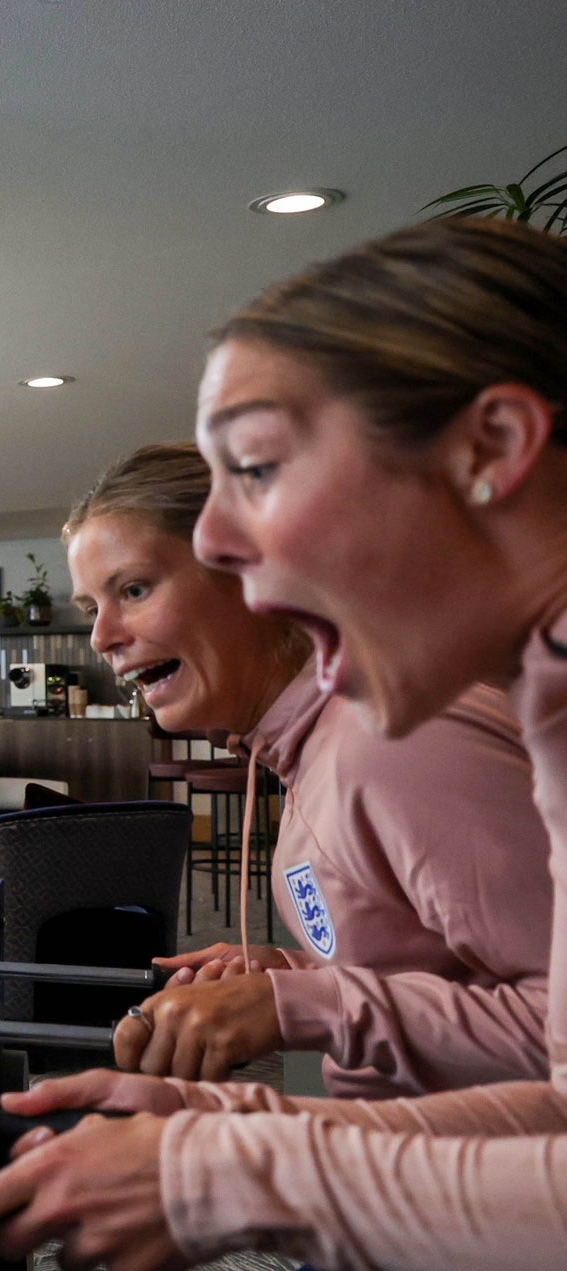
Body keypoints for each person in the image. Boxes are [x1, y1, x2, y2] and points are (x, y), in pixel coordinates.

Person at [0, 217, 567, 1271]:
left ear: (493, 448)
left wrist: (246, 1141)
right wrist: (233, 1122)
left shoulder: (415, 738)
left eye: (257, 474)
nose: (223, 539)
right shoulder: (531, 708)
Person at [67, 442, 550, 1095]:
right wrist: (291, 976)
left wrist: (298, 1005)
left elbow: (553, 1017)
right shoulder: (307, 745)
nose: (102, 637)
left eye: (134, 589)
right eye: (91, 608)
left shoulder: (393, 743)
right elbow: (438, 971)